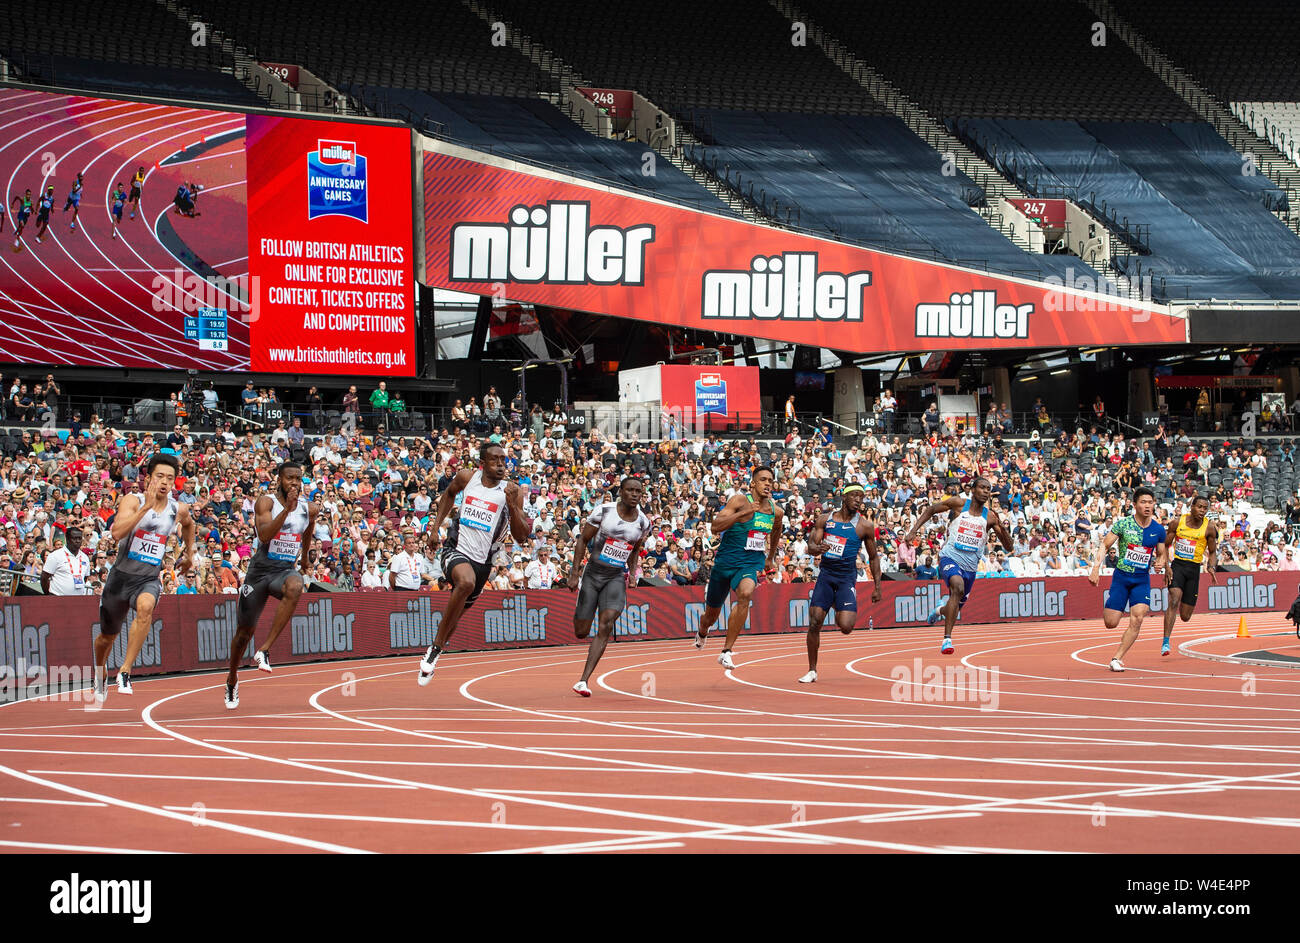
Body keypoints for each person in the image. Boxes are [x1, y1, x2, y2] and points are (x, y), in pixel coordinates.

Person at [418, 443, 531, 685]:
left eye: (504, 460)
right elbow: (448, 495)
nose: (501, 465)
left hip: (484, 563)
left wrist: (511, 505)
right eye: (495, 460)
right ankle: (435, 648)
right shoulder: (467, 477)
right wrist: (435, 529)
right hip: (455, 549)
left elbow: (522, 537)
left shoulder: (512, 491)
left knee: (458, 613)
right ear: (482, 463)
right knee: (465, 582)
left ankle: (436, 652)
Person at [91, 455, 195, 706]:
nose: (164, 482)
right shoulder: (132, 500)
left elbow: (190, 525)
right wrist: (146, 507)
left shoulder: (176, 508)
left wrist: (189, 554)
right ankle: (99, 670)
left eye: (170, 478)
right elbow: (116, 533)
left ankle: (125, 671)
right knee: (107, 636)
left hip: (147, 578)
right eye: (160, 476)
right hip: (119, 578)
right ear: (148, 478)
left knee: (146, 608)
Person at [223, 461, 318, 708]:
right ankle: (232, 679)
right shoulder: (266, 502)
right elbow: (264, 535)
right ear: (279, 479)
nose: (295, 483)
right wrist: (286, 510)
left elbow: (307, 531)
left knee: (296, 586)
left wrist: (305, 556)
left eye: (298, 479)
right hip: (259, 573)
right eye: (290, 478)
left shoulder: (309, 508)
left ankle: (265, 650)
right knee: (244, 634)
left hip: (283, 571)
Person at [903, 476, 1012, 655]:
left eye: (988, 489)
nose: (985, 492)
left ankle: (939, 610)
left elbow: (1009, 547)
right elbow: (931, 509)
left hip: (970, 567)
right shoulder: (958, 504)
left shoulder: (990, 516)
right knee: (957, 587)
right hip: (949, 558)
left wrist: (1000, 525)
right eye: (982, 488)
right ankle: (947, 640)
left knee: (952, 608)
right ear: (973, 489)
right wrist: (913, 531)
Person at [692, 466, 783, 670]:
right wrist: (743, 514)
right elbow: (715, 526)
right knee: (710, 616)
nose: (767, 483)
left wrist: (770, 557)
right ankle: (702, 631)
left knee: (746, 593)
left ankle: (726, 652)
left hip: (750, 562)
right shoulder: (740, 501)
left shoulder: (775, 512)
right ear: (752, 483)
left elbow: (776, 532)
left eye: (770, 480)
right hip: (724, 564)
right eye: (762, 480)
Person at [566, 477, 651, 696]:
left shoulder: (643, 522)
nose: (634, 494)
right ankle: (584, 613)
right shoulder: (603, 511)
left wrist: (632, 574)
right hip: (592, 576)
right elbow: (582, 540)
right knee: (580, 632)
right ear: (620, 491)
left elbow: (635, 548)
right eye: (630, 490)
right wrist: (574, 573)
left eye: (638, 491)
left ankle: (583, 681)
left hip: (615, 577)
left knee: (607, 622)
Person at [799, 485, 882, 683]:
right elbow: (810, 547)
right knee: (814, 622)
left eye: (861, 497)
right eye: (854, 495)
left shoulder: (864, 526)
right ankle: (812, 670)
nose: (858, 500)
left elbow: (873, 557)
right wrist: (817, 548)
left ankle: (837, 602)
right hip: (826, 576)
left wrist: (877, 586)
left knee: (846, 627)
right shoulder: (825, 520)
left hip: (846, 579)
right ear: (843, 497)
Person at [1090, 487, 1168, 672]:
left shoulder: (1158, 529)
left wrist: (1160, 562)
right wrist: (1095, 568)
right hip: (1121, 578)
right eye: (1143, 502)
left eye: (1150, 502)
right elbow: (1104, 545)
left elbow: (1162, 554)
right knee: (1111, 623)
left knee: (1138, 618)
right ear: (1135, 505)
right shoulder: (1123, 524)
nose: (1148, 506)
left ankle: (1117, 658)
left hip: (1142, 580)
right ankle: (1117, 607)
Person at [1161, 494, 1218, 655]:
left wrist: (1211, 566)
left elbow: (1213, 552)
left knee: (1185, 616)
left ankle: (1180, 606)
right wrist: (1167, 566)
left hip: (1194, 570)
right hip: (1178, 566)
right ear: (1192, 507)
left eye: (1205, 508)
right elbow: (1164, 546)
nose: (1202, 510)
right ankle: (1166, 642)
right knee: (1173, 599)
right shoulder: (1177, 522)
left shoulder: (1209, 528)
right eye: (1199, 507)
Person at [41, 526, 91, 595]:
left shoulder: (85, 558)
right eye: (74, 538)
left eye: (79, 538)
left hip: (78, 600)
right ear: (67, 539)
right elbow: (44, 578)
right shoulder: (55, 555)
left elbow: (84, 578)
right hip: (58, 599)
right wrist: (49, 595)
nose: (77, 541)